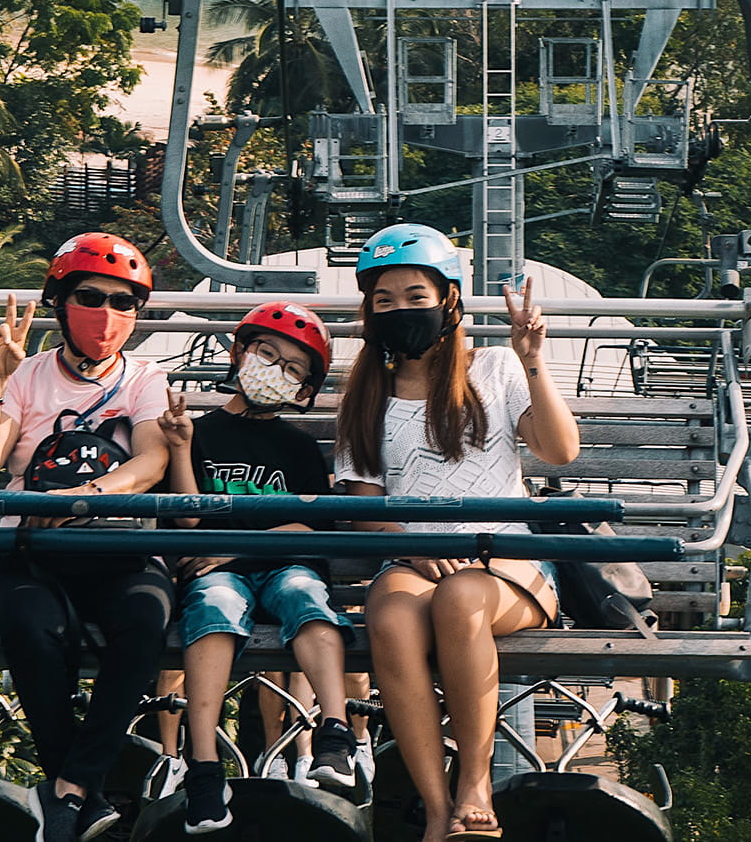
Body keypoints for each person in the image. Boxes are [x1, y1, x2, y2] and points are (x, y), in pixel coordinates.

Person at [335, 223, 580, 842]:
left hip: (507, 561)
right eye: (383, 301)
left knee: (462, 596)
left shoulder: (494, 368)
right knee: (388, 618)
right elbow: (363, 501)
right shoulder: (368, 393)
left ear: (448, 299)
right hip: (416, 562)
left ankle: (475, 779)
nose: (399, 311)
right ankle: (437, 806)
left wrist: (532, 361)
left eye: (415, 297)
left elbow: (559, 450)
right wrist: (410, 547)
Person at [0, 232, 174, 842]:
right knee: (32, 626)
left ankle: (68, 792)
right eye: (90, 296)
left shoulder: (144, 380)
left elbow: (150, 462)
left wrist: (86, 498)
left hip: (116, 545)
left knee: (144, 619)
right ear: (60, 302)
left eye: (123, 302)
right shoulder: (26, 377)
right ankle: (81, 789)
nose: (107, 315)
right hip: (31, 550)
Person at [158, 302, 359, 832]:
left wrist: (240, 547)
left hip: (279, 564)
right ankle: (203, 764)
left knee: (304, 594)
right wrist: (180, 448)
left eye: (293, 368)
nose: (275, 370)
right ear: (239, 354)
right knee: (215, 602)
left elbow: (313, 525)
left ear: (303, 390)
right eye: (266, 353)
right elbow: (188, 525)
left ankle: (334, 736)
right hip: (216, 571)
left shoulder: (297, 447)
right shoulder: (198, 434)